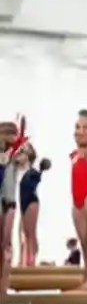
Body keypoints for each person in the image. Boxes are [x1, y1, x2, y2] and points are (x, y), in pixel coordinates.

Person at [0, 117, 29, 294]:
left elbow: (26, 159)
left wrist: (20, 149)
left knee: (7, 244)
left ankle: (4, 285)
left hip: (10, 203)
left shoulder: (15, 157)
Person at [18, 146, 51, 267]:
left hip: (32, 201)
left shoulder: (35, 170)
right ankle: (26, 258)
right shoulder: (23, 171)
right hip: (23, 202)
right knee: (25, 232)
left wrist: (42, 165)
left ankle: (32, 258)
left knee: (31, 232)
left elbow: (45, 165)